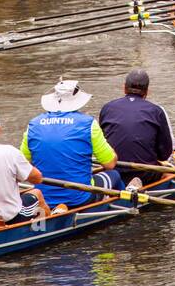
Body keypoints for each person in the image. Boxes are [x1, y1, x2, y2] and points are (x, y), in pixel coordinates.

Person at [20, 79, 122, 213]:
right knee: (114, 174)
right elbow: (109, 163)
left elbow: (22, 163)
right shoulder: (88, 123)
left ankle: (56, 209)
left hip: (44, 197)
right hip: (80, 198)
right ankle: (127, 203)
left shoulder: (33, 125)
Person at [99, 69, 175, 191]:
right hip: (145, 173)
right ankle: (138, 182)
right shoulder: (156, 111)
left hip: (114, 171)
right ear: (147, 92)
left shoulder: (107, 108)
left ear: (124, 88)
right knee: (171, 172)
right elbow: (164, 154)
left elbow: (102, 146)